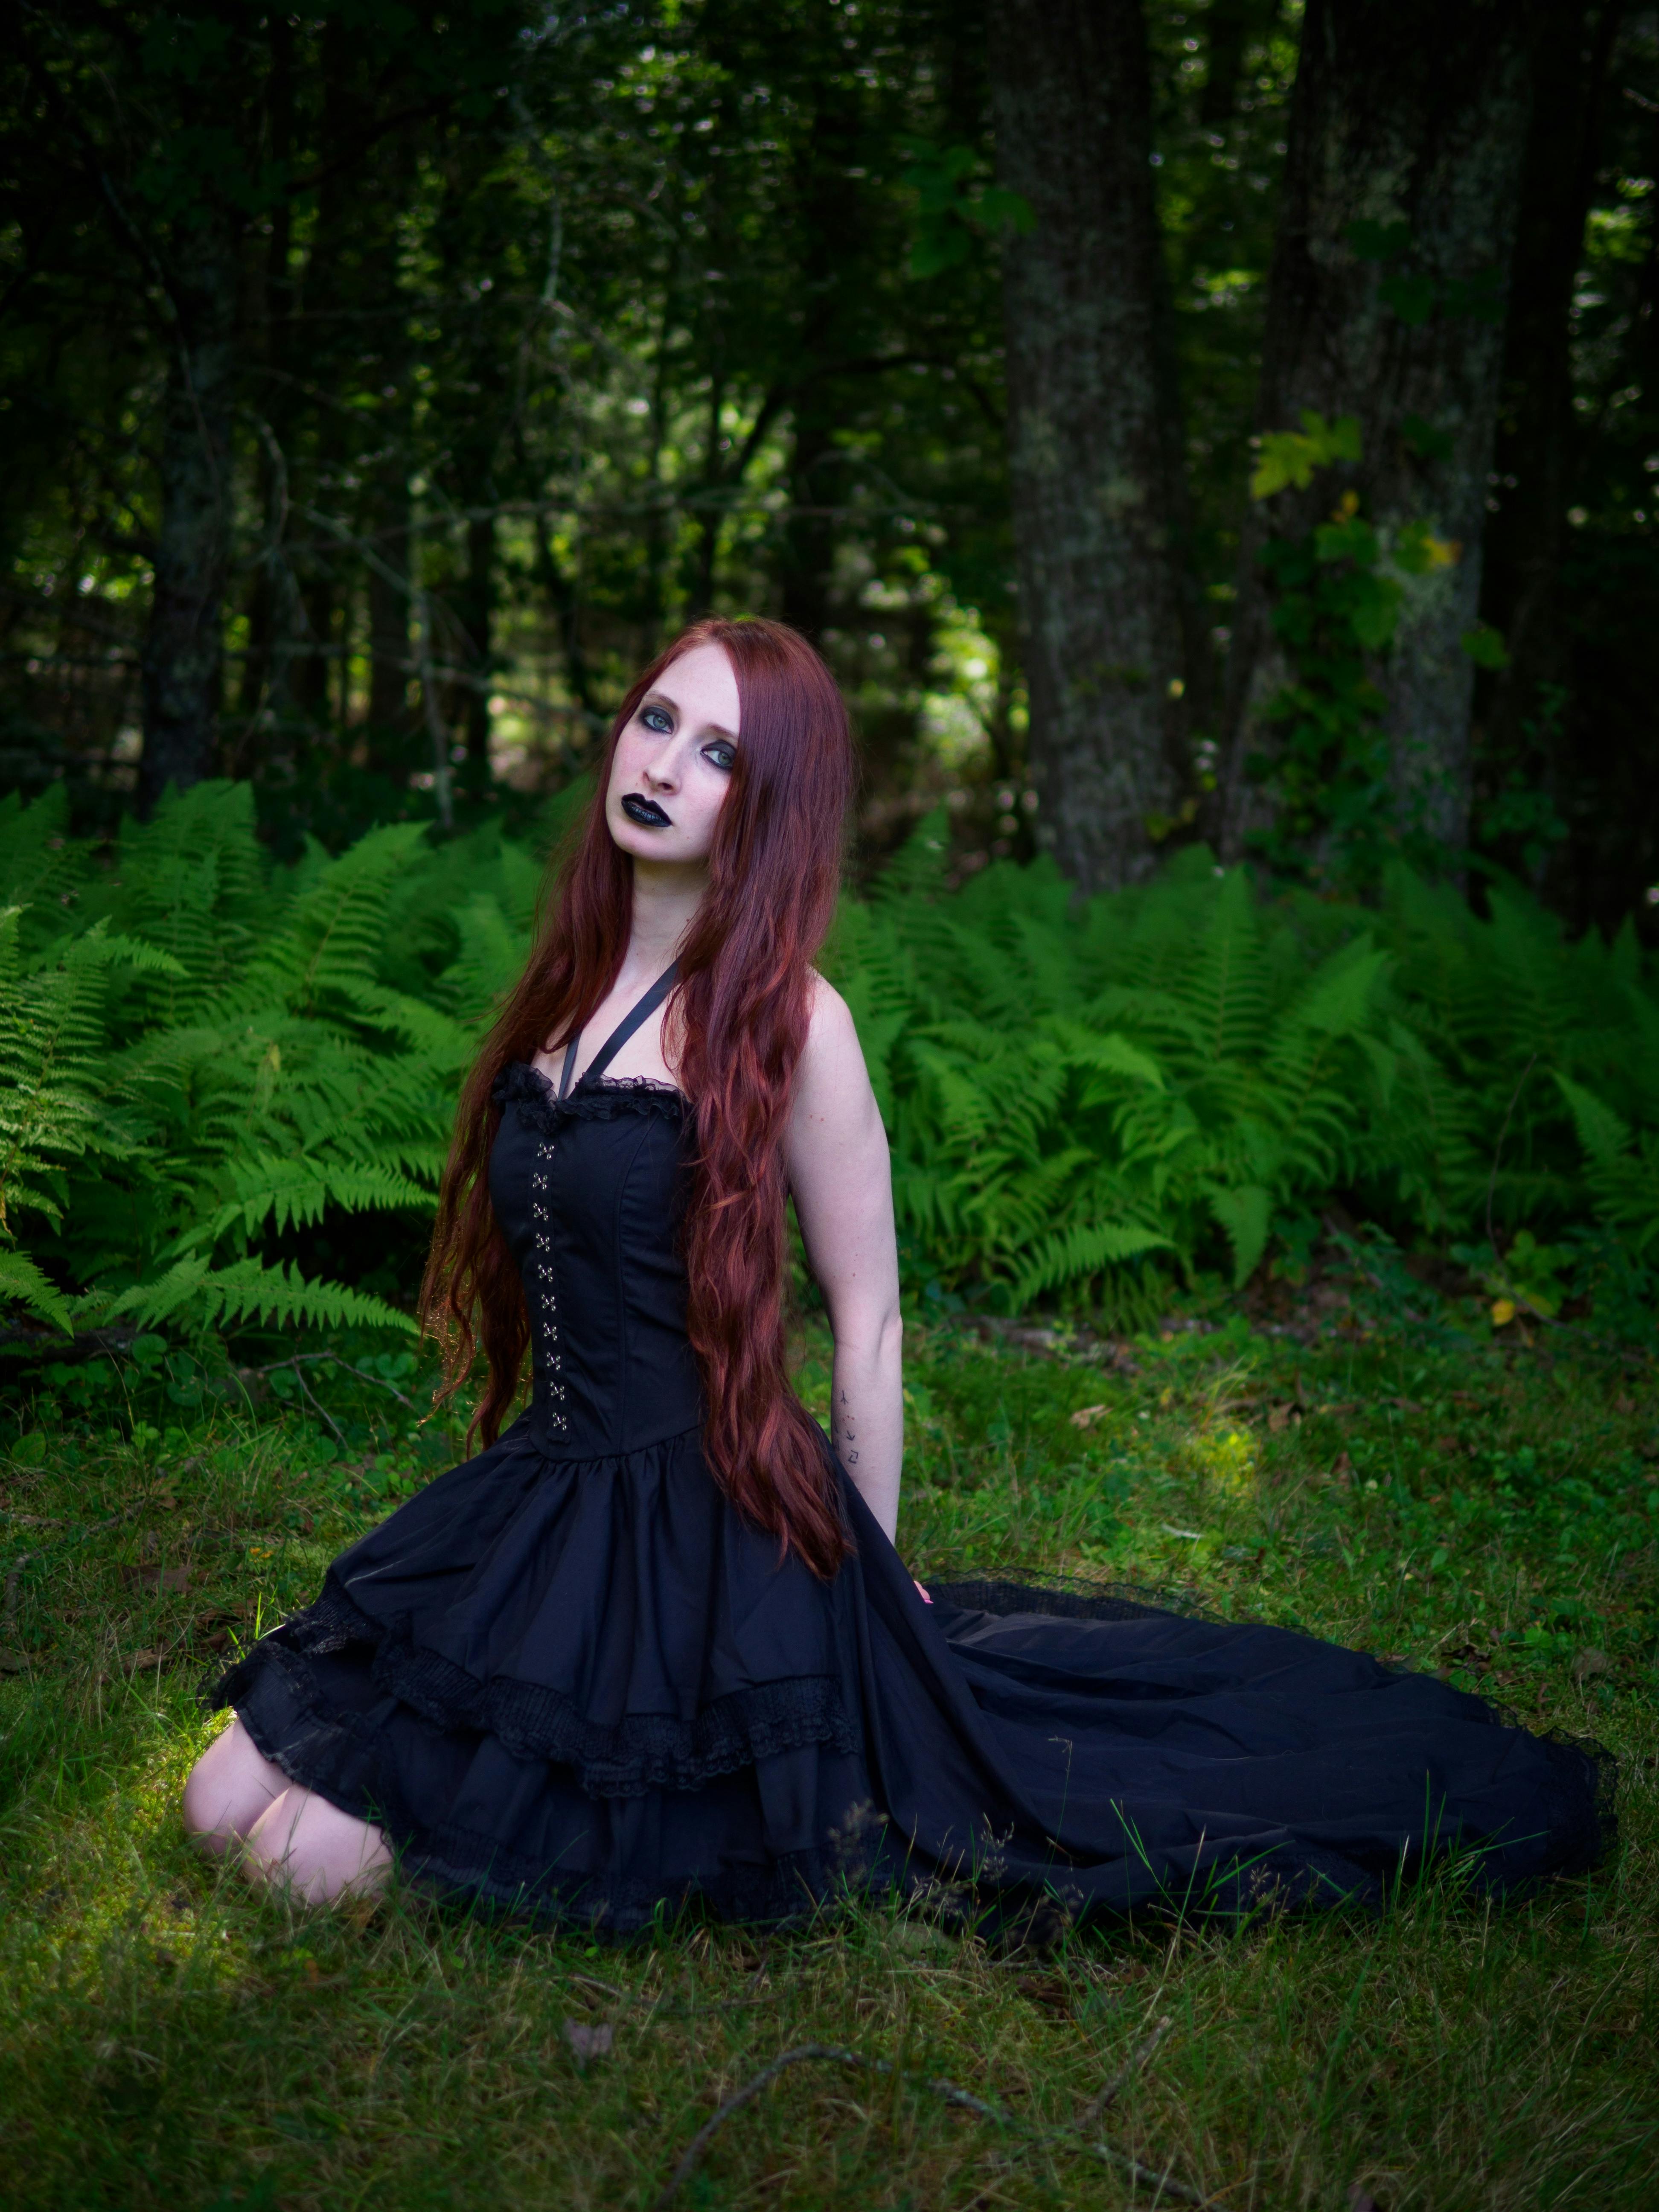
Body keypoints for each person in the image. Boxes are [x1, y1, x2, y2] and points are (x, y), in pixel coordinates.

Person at [182, 618, 1612, 1932]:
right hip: (545, 1497)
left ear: (772, 801)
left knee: (303, 1868)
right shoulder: (568, 985)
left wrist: (868, 1582)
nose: (669, 765)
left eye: (721, 751)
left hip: (703, 1526)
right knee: (216, 1807)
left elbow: (868, 1322)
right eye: (658, 721)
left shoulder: (794, 1021)